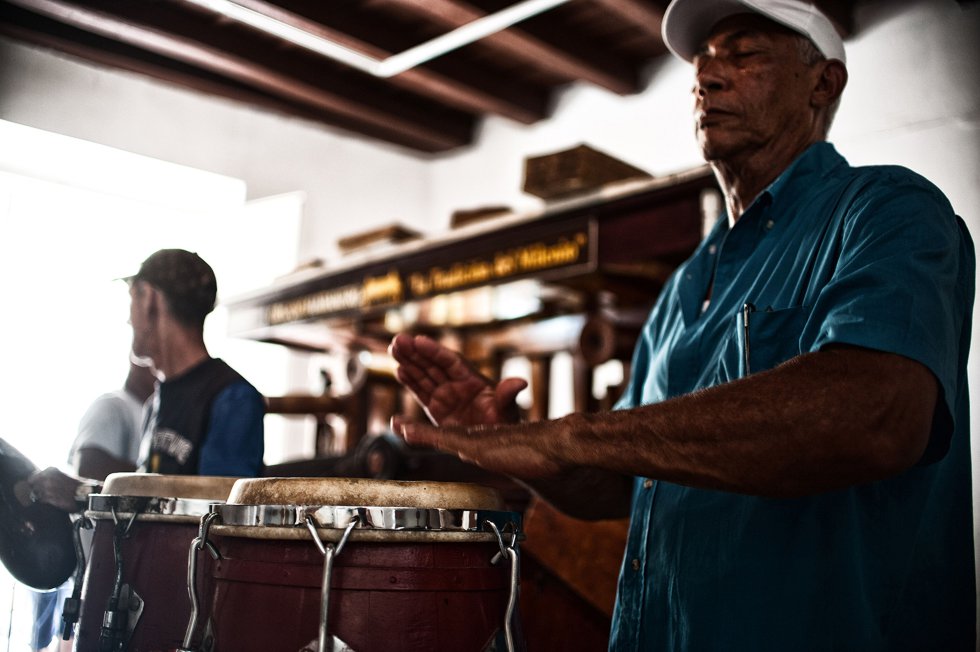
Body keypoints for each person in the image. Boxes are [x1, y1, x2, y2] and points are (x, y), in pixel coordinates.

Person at [389, 1, 976, 650]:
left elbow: (876, 416)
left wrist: (572, 435)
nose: (708, 78)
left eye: (746, 54)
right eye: (701, 64)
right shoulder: (686, 284)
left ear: (823, 83)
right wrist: (523, 445)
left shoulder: (887, 209)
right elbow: (617, 486)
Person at [28, 248, 265, 510]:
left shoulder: (232, 398)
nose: (129, 319)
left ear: (149, 297)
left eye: (131, 300)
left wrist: (85, 493)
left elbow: (220, 513)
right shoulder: (156, 402)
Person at [24, 361, 156, 652]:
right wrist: (162, 483)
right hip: (99, 571)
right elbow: (89, 467)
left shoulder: (152, 411)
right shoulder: (113, 406)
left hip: (126, 576)